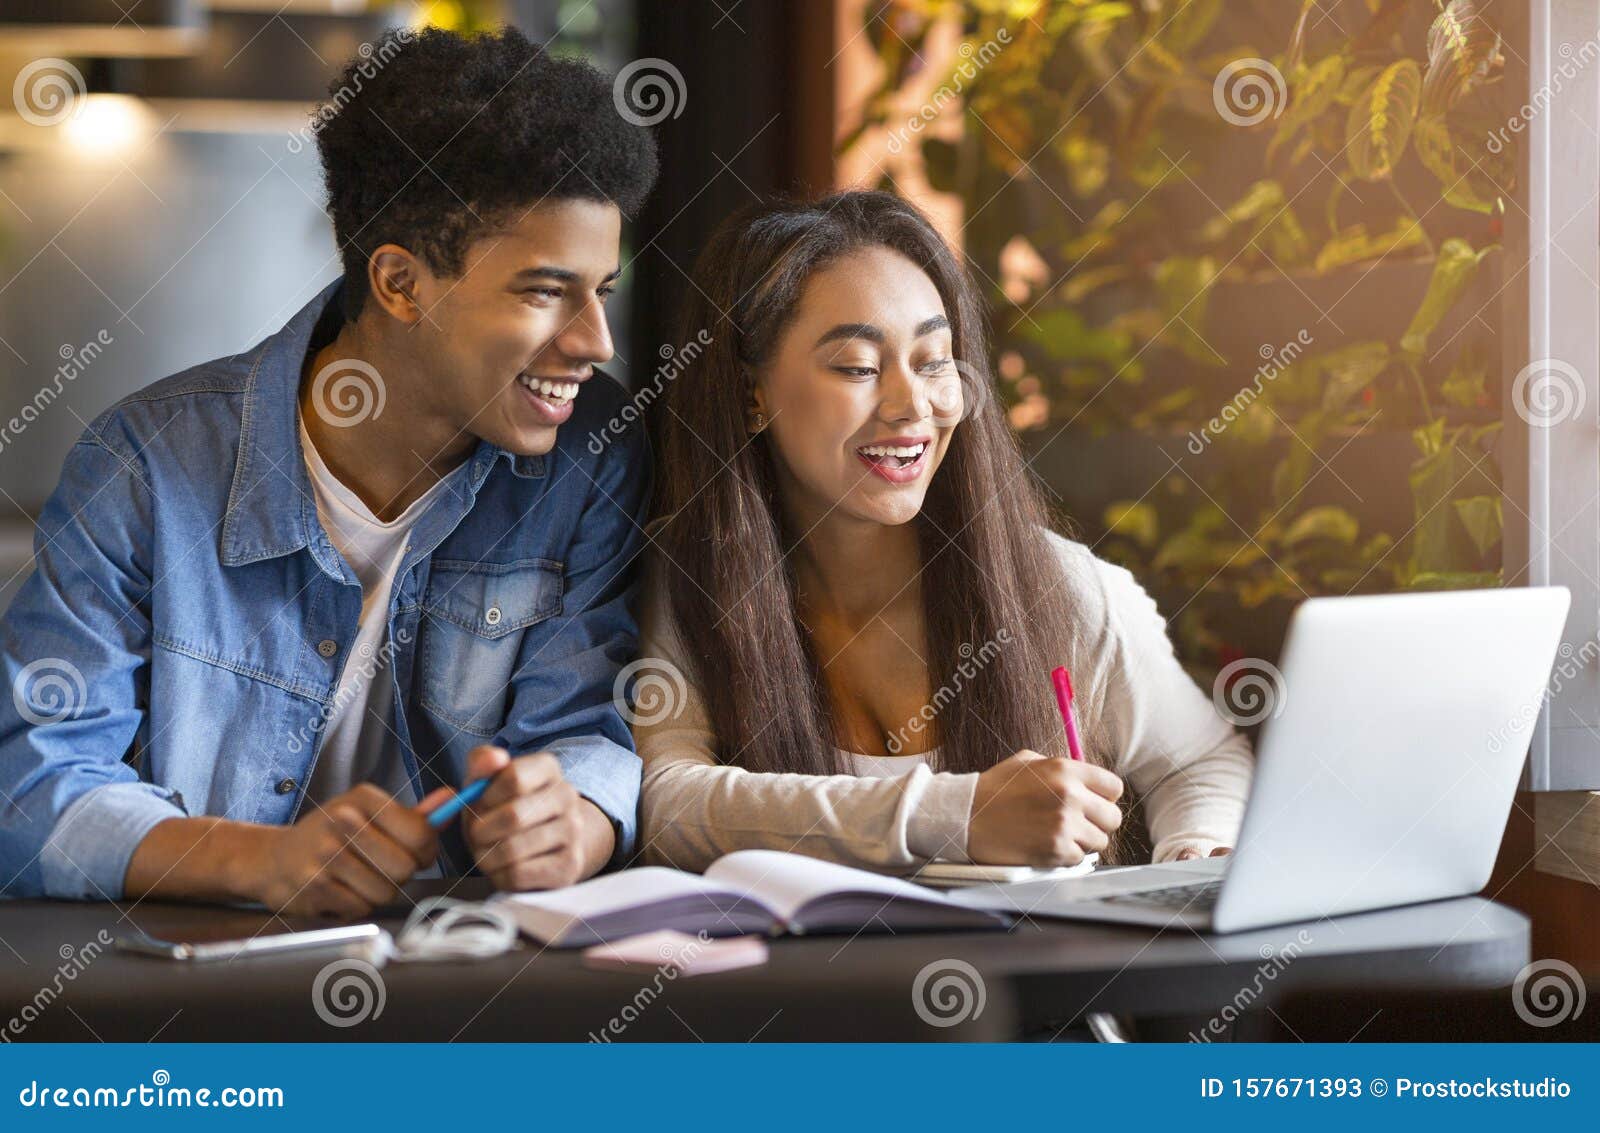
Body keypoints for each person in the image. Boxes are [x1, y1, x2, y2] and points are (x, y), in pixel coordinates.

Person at [0, 27, 657, 913]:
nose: (594, 343)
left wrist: (572, 817)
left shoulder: (592, 461)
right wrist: (261, 860)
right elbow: (32, 790)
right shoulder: (147, 465)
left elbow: (585, 730)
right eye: (545, 292)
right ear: (400, 283)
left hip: (471, 993)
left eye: (600, 291)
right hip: (195, 998)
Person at [634, 190, 1252, 873]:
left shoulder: (1058, 585)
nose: (911, 406)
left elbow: (1200, 760)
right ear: (751, 394)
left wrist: (1197, 857)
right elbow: (667, 806)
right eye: (858, 368)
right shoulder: (684, 574)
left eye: (933, 361)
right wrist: (958, 815)